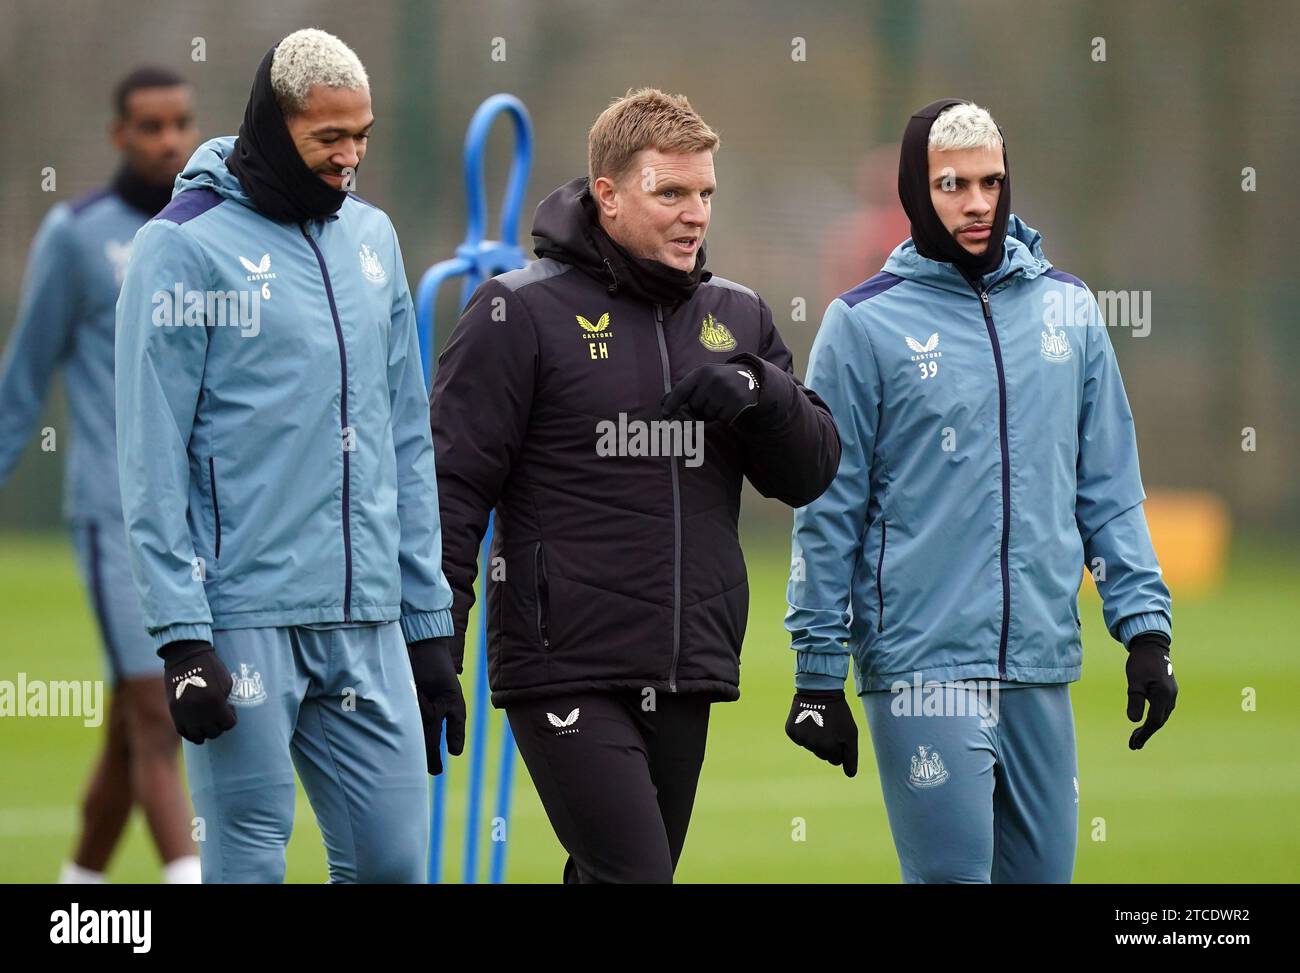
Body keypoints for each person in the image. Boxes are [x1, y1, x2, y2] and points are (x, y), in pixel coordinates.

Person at [428, 88, 841, 883]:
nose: (695, 214)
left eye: (706, 194)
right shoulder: (518, 312)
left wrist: (761, 393)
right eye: (671, 192)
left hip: (686, 665)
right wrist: (437, 636)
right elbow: (450, 488)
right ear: (608, 195)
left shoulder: (739, 317)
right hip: (564, 664)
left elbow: (812, 471)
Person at [784, 100, 1176, 883]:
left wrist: (1145, 630)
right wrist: (817, 672)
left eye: (991, 182)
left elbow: (1108, 487)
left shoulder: (1070, 310)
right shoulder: (861, 326)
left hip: (1039, 663)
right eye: (951, 183)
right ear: (913, 191)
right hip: (921, 669)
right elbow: (828, 510)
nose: (976, 202)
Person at [114, 29, 457, 883]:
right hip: (243, 616)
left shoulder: (374, 239)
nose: (350, 158)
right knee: (247, 866)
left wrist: (427, 624)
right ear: (275, 126)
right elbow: (151, 456)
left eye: (362, 136)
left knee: (394, 866)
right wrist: (182, 638)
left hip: (369, 616)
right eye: (328, 139)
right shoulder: (181, 245)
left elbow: (405, 443)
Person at [0, 67, 201, 884]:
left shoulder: (209, 232)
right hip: (112, 516)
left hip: (197, 522)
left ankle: (77, 893)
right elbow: (21, 384)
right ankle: (191, 876)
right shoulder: (74, 236)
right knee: (160, 703)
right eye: (150, 126)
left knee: (132, 720)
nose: (169, 141)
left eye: (181, 123)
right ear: (119, 134)